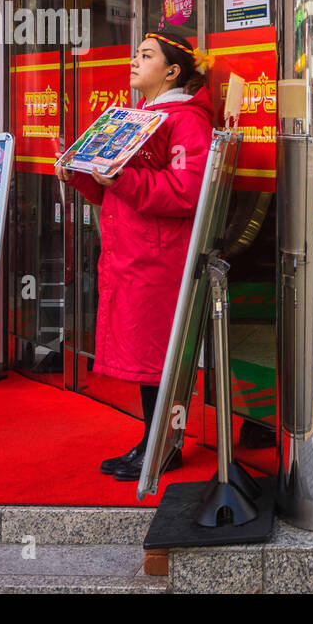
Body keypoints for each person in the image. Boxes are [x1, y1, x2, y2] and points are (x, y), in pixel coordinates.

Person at [56, 30, 214, 482]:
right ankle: (154, 443)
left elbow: (186, 192)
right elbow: (113, 189)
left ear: (172, 71)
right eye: (136, 53)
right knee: (149, 358)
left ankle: (162, 446)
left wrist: (118, 181)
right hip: (134, 254)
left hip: (159, 259)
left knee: (158, 357)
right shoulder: (137, 116)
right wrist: (80, 175)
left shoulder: (186, 120)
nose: (134, 61)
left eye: (147, 56)